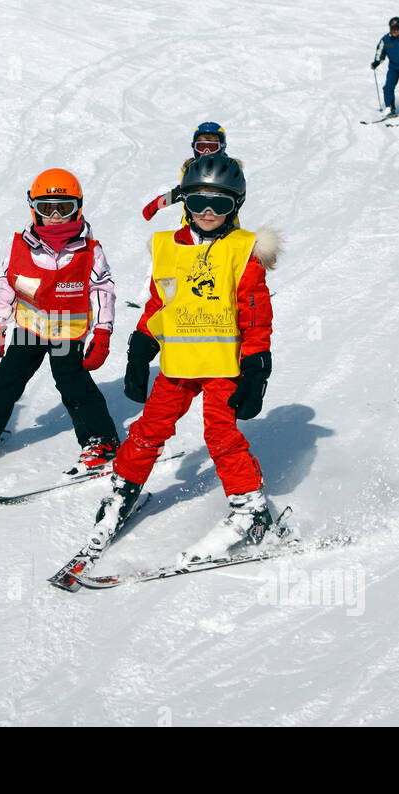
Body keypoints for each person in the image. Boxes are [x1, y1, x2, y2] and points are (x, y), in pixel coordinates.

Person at [88, 152, 280, 566]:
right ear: (184, 204)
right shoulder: (167, 247)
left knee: (221, 437)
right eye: (197, 203)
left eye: (221, 204)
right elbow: (162, 302)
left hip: (223, 369)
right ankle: (124, 488)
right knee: (148, 429)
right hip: (177, 366)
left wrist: (256, 367)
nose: (208, 213)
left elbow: (255, 315)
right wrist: (141, 347)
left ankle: (251, 511)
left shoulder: (242, 251)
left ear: (237, 206)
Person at [0, 168, 120, 475]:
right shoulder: (21, 246)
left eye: (63, 208)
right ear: (33, 207)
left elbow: (103, 289)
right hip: (30, 329)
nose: (54, 216)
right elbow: (8, 286)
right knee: (7, 378)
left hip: (67, 331)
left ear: (78, 207)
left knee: (72, 383)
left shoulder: (89, 249)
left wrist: (102, 332)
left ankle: (100, 441)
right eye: (45, 208)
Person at [141, 121, 241, 227]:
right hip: (192, 228)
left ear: (221, 147)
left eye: (212, 147)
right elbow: (178, 193)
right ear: (194, 147)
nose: (206, 152)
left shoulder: (230, 172)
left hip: (225, 229)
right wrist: (158, 203)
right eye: (201, 147)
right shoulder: (190, 170)